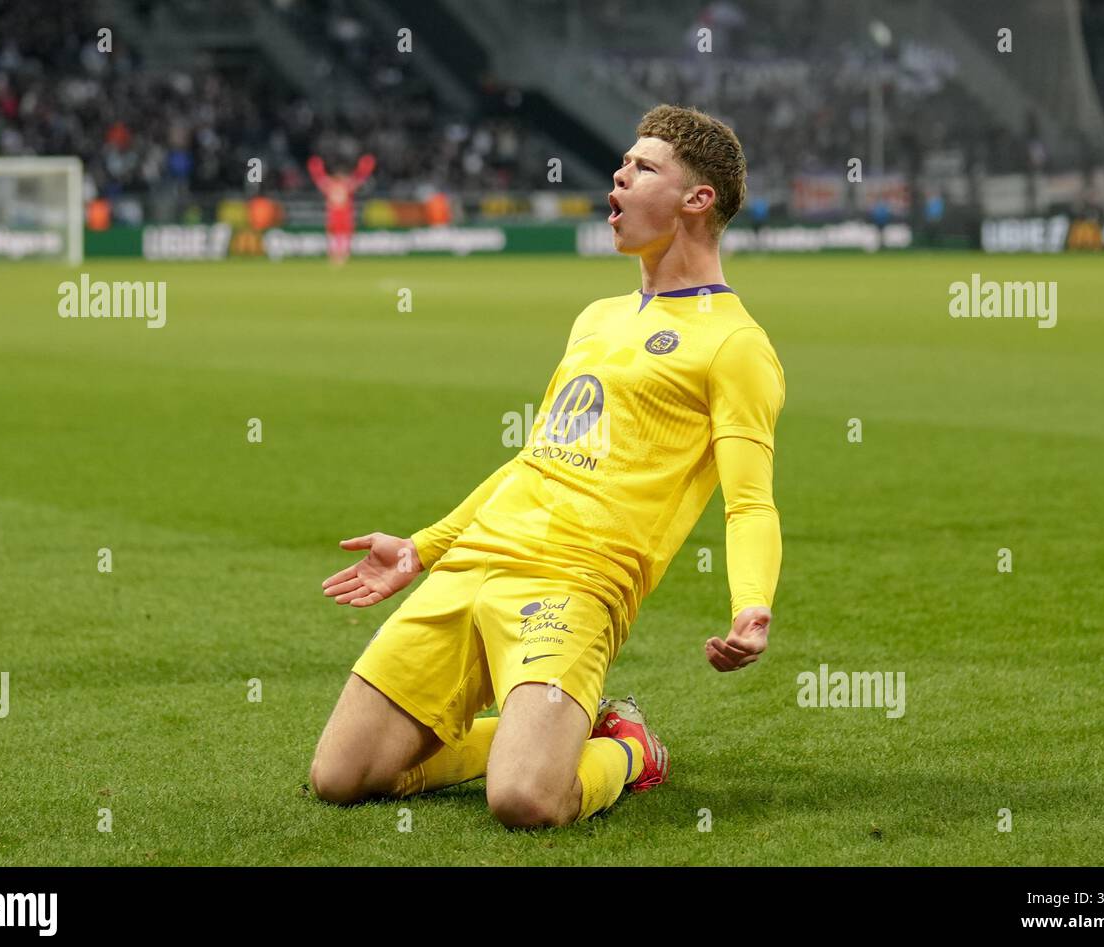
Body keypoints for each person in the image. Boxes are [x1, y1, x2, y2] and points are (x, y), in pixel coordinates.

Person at [311, 105, 786, 828]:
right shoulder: (596, 317)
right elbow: (536, 461)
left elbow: (750, 504)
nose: (619, 177)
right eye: (622, 163)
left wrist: (750, 603)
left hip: (573, 582)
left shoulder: (735, 346)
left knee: (526, 800)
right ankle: (539, 737)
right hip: (475, 564)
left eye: (643, 167)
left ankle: (629, 750)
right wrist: (423, 548)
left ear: (698, 200)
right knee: (342, 776)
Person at [307, 152, 375, 264]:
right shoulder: (331, 184)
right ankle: (334, 255)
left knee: (345, 236)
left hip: (345, 215)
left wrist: (366, 167)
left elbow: (360, 177)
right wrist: (315, 166)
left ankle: (343, 255)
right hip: (334, 214)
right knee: (334, 236)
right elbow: (319, 178)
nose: (340, 177)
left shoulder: (346, 185)